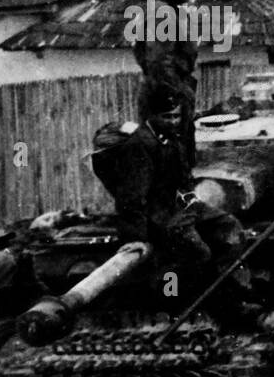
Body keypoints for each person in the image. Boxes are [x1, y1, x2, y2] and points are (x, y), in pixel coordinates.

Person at [93, 89, 254, 312]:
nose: (173, 121)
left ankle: (231, 290)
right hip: (158, 213)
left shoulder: (172, 138)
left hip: (181, 205)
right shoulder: (140, 146)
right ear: (152, 116)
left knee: (229, 227)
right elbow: (132, 197)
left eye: (176, 116)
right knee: (198, 251)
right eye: (166, 117)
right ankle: (195, 304)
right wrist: (135, 237)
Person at [135, 0, 202, 175]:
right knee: (171, 163)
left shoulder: (169, 11)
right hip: (165, 97)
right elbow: (158, 63)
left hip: (171, 91)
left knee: (177, 160)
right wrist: (178, 94)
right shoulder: (163, 15)